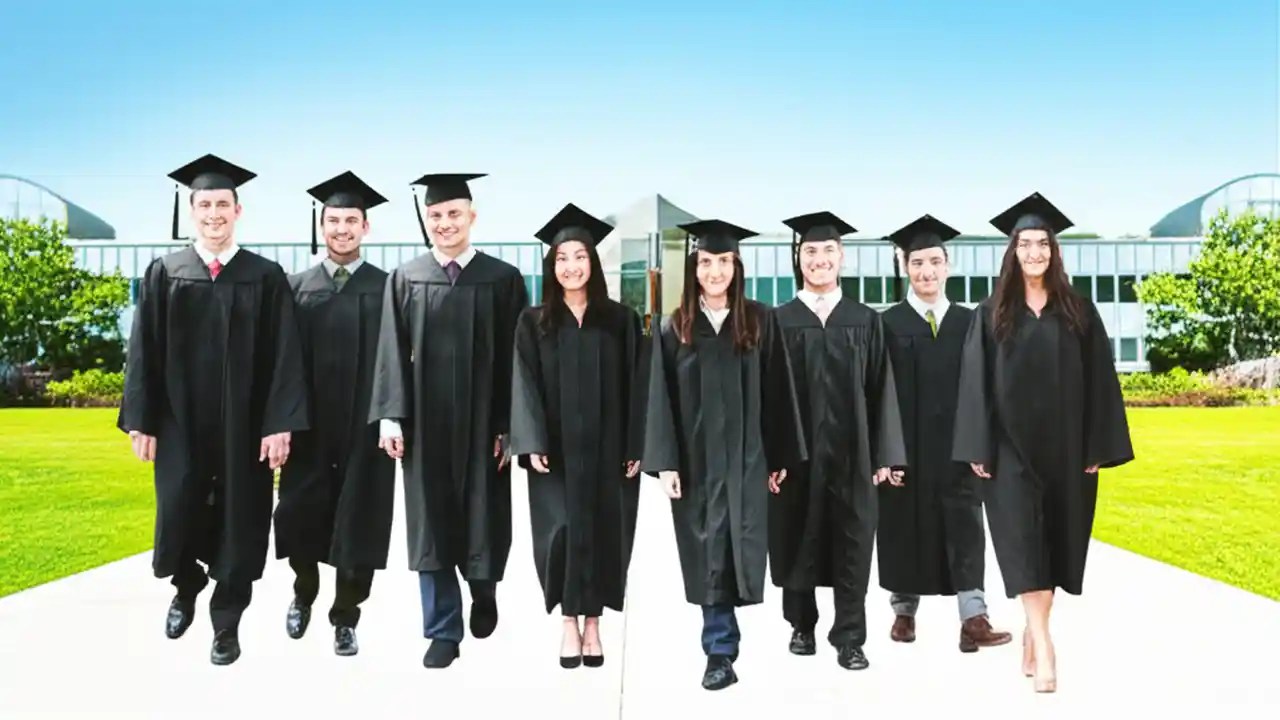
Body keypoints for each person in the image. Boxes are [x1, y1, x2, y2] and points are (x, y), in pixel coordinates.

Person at [117, 153, 308, 665]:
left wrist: (279, 424)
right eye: (205, 204)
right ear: (192, 210)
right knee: (177, 507)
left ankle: (227, 624)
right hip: (181, 422)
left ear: (238, 210)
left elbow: (285, 356)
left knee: (241, 520)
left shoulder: (265, 277)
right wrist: (141, 417)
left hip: (246, 426)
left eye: (223, 204)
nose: (214, 213)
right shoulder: (165, 272)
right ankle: (186, 585)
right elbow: (144, 350)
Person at [952, 192, 1134, 693]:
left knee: (1054, 543)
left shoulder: (1078, 311)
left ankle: (1035, 631)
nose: (1033, 253)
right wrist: (977, 447)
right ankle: (1045, 643)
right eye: (1024, 244)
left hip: (1067, 449)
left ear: (1054, 252)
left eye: (1042, 244)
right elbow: (975, 386)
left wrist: (1099, 446)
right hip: (1009, 451)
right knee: (1022, 545)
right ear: (1011, 253)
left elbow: (1101, 380)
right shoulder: (991, 313)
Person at [368, 172, 529, 669]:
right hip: (426, 422)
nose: (444, 223)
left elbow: (517, 361)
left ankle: (483, 590)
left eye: (453, 214)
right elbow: (391, 350)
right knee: (430, 524)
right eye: (435, 216)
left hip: (486, 423)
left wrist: (510, 424)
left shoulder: (502, 279)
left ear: (472, 217)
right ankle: (442, 630)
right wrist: (390, 417)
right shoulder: (406, 277)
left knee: (484, 515)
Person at [641, 219, 806, 691]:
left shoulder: (759, 320)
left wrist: (780, 457)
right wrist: (665, 462)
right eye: (707, 262)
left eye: (724, 262)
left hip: (748, 458)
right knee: (708, 551)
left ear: (737, 266)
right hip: (695, 464)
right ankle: (719, 651)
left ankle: (740, 635)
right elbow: (660, 399)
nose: (715, 271)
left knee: (741, 545)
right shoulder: (676, 327)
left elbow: (779, 391)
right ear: (694, 269)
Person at [509, 203, 647, 669]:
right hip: (556, 454)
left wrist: (635, 445)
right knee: (562, 533)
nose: (571, 266)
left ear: (593, 262)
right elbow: (523, 384)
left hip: (610, 453)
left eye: (580, 256)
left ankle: (594, 624)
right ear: (552, 265)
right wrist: (531, 442)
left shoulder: (621, 321)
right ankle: (569, 621)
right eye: (562, 257)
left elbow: (638, 384)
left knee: (607, 533)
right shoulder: (534, 322)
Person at [767, 210, 906, 671]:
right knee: (797, 534)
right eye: (810, 251)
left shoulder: (865, 321)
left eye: (828, 250)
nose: (820, 259)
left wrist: (885, 454)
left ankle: (850, 637)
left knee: (853, 542)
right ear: (798, 258)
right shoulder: (779, 322)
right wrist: (773, 455)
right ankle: (801, 625)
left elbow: (882, 388)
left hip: (855, 455)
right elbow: (767, 394)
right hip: (797, 455)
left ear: (842, 257)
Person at [271, 171, 396, 656]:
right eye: (334, 220)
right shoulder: (296, 286)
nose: (342, 228)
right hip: (309, 427)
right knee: (300, 516)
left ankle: (346, 615)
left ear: (366, 228)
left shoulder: (389, 288)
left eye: (351, 220)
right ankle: (303, 591)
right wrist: (280, 421)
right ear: (322, 226)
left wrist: (393, 417)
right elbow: (280, 361)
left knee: (360, 522)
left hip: (366, 428)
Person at [877, 214, 1012, 652]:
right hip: (906, 451)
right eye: (917, 263)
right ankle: (904, 612)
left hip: (958, 449)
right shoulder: (887, 324)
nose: (926, 271)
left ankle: (974, 618)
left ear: (947, 265)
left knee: (966, 528)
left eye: (934, 261)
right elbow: (877, 393)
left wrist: (982, 445)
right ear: (905, 267)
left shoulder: (970, 322)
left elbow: (987, 390)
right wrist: (886, 454)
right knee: (903, 527)